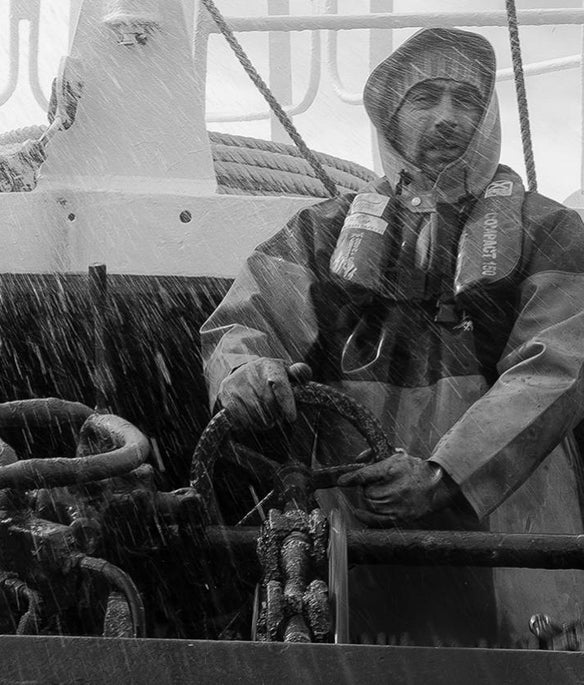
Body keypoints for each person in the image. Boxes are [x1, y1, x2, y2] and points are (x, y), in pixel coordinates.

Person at [202, 28, 584, 647]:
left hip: (512, 528)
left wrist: (446, 474)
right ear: (389, 118)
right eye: (426, 98)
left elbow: (557, 368)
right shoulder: (318, 233)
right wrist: (241, 370)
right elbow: (240, 327)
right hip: (357, 533)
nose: (447, 118)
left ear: (487, 117)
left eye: (467, 100)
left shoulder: (554, 230)